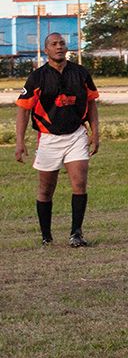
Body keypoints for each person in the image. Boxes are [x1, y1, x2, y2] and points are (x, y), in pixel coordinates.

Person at [15, 32, 100, 247]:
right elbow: (23, 110)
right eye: (54, 44)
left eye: (62, 43)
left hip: (76, 135)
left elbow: (91, 104)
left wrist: (95, 133)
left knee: (79, 183)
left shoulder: (80, 73)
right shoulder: (38, 77)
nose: (59, 46)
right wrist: (20, 141)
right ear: (47, 50)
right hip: (49, 138)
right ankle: (46, 237)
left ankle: (76, 234)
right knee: (46, 188)